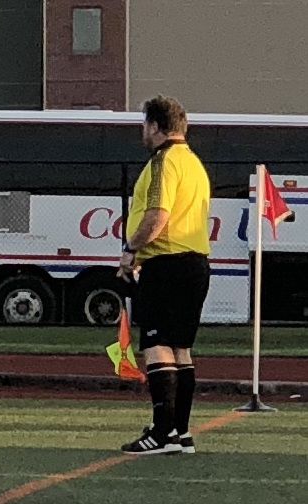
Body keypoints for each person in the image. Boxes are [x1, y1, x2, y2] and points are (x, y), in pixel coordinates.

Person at [118, 95, 211, 455]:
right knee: (181, 349)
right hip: (195, 263)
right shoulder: (194, 163)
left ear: (156, 126)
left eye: (145, 124)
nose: (143, 131)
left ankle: (161, 433)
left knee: (156, 346)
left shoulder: (163, 162)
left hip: (166, 263)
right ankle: (180, 433)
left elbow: (157, 216)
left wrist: (130, 251)